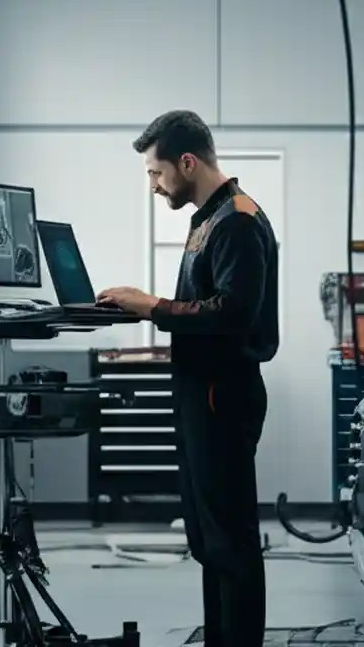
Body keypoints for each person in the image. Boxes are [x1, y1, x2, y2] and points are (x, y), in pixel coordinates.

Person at [96, 109, 279, 646]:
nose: (154, 185)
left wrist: (151, 305)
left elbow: (231, 313)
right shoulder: (208, 218)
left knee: (230, 539)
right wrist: (145, 311)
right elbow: (207, 305)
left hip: (224, 395)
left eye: (157, 173)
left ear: (188, 161)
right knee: (207, 538)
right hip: (201, 393)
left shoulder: (239, 220)